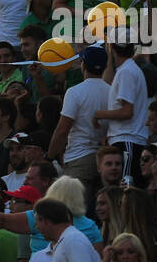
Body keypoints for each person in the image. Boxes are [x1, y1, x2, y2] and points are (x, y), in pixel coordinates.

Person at [48, 46, 111, 182]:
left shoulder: (75, 92)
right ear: (105, 66)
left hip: (79, 158)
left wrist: (49, 157)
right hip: (104, 158)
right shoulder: (112, 91)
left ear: (84, 65)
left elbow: (62, 130)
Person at [93, 36, 149, 186]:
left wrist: (98, 114)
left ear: (111, 47)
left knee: (126, 191)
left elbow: (126, 112)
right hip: (125, 139)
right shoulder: (126, 70)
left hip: (128, 139)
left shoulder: (127, 72)